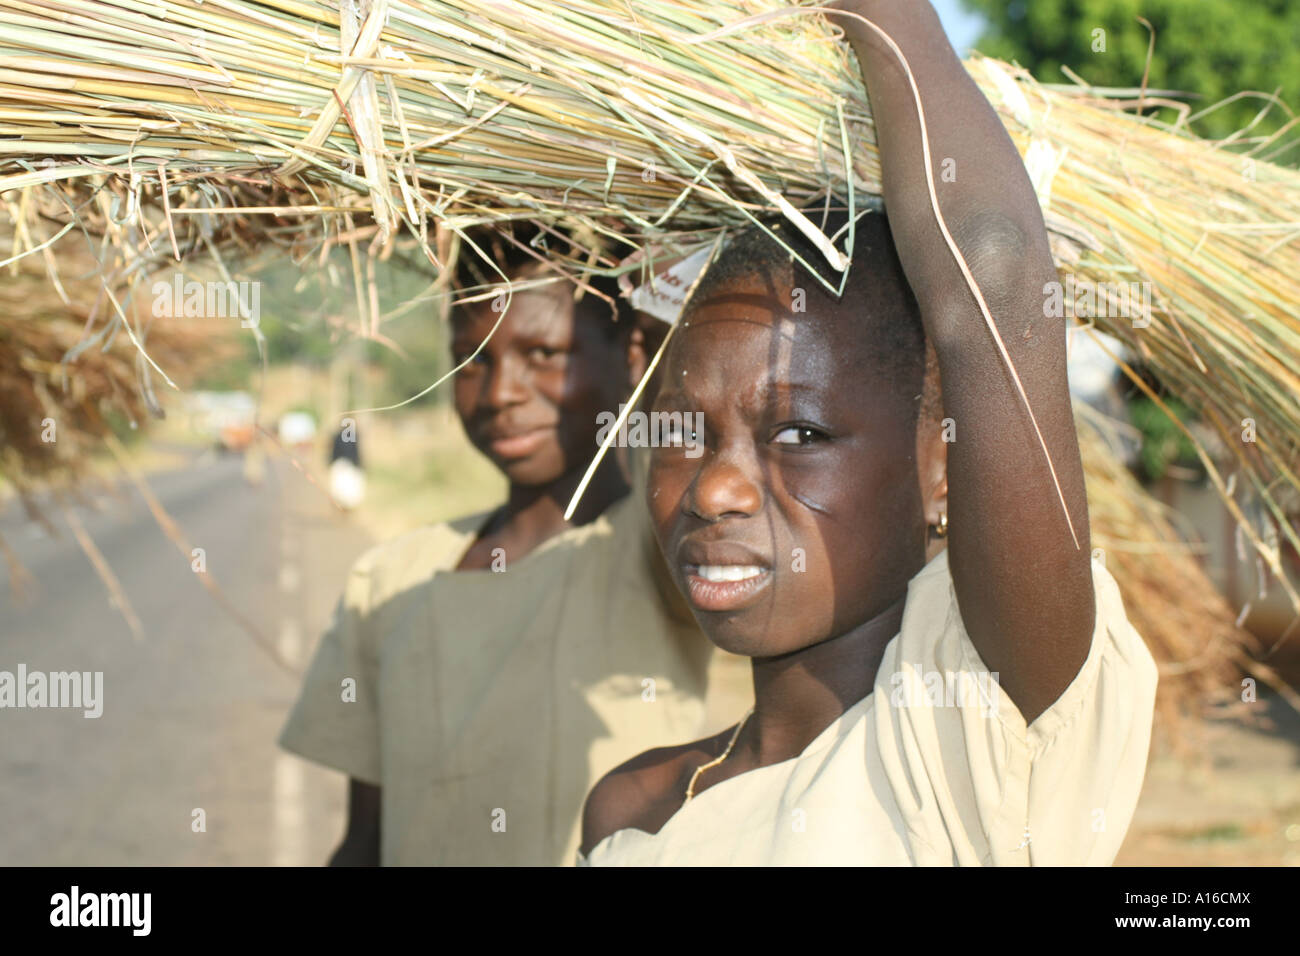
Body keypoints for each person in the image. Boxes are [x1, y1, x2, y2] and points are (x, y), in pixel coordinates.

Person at [579, 0, 1157, 865]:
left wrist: (882, 18)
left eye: (801, 434)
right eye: (686, 433)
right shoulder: (634, 810)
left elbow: (992, 268)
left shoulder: (976, 730)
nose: (713, 489)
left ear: (944, 468)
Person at [278, 225, 712, 865]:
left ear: (632, 356)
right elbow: (364, 842)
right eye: (473, 357)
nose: (503, 390)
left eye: (543, 353)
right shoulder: (390, 579)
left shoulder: (657, 551)